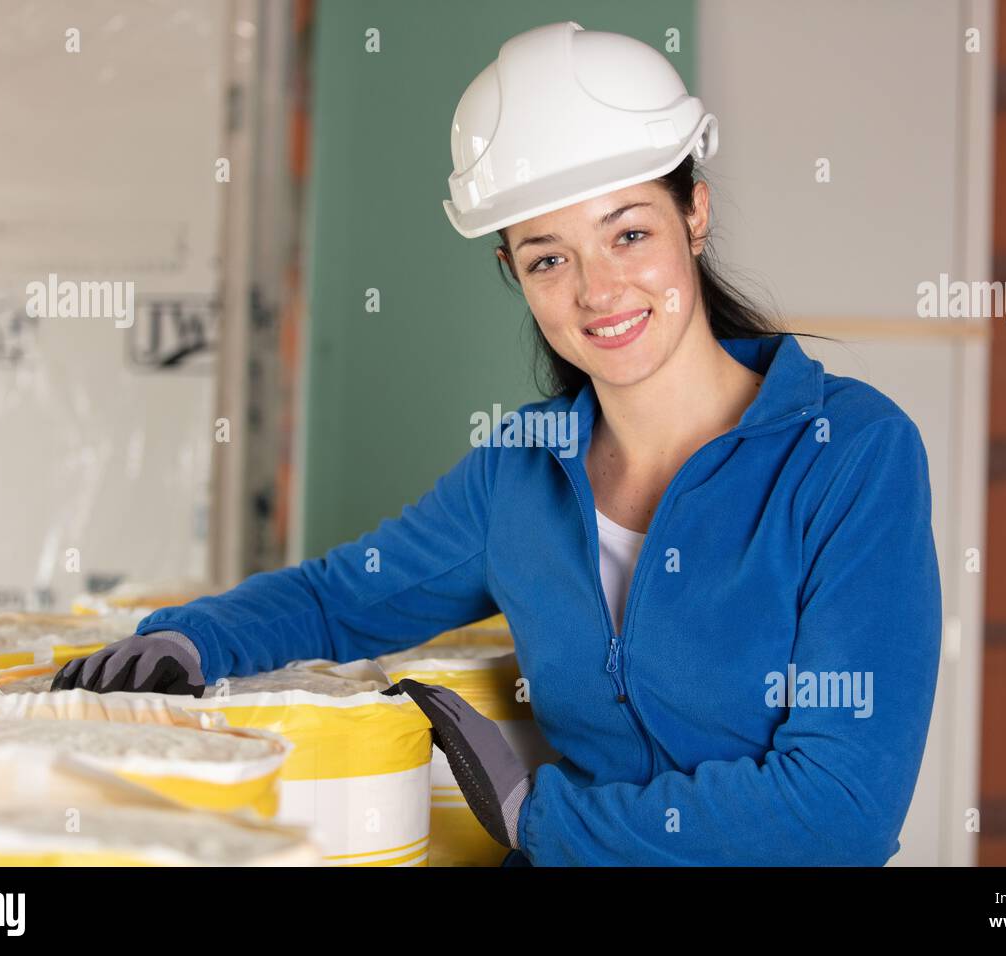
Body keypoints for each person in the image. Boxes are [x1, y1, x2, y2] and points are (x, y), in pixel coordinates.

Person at [53, 21, 942, 866]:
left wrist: (543, 823)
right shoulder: (523, 471)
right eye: (548, 258)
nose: (600, 289)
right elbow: (339, 600)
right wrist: (192, 642)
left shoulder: (848, 456)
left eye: (628, 232)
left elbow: (839, 813)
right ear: (512, 271)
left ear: (695, 217)